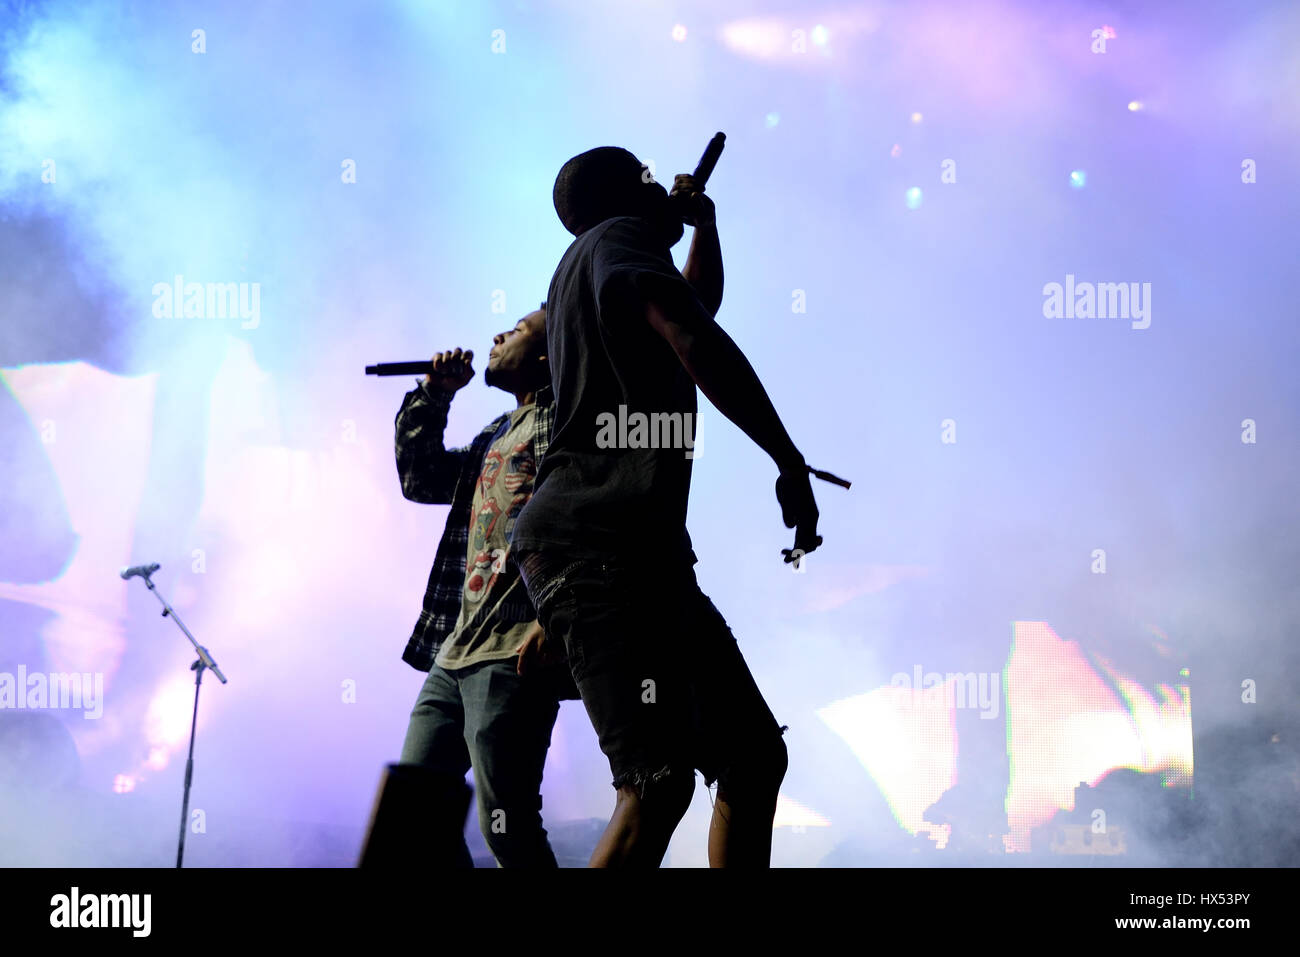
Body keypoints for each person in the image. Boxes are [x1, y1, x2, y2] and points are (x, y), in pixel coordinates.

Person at [511, 147, 823, 867]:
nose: (662, 185)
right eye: (648, 178)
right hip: (603, 550)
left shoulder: (593, 264)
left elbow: (690, 306)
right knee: (655, 784)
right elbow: (693, 335)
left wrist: (701, 227)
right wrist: (786, 457)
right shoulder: (618, 238)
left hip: (627, 556)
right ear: (625, 196)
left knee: (749, 755)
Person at [393, 305, 575, 867]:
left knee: (508, 826)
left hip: (514, 650)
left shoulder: (565, 423)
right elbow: (419, 480)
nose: (497, 336)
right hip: (457, 650)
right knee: (415, 814)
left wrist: (555, 618)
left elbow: (585, 522)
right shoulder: (493, 434)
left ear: (546, 355)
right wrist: (434, 393)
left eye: (517, 331)